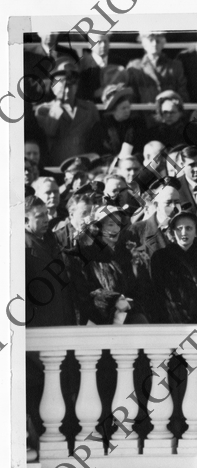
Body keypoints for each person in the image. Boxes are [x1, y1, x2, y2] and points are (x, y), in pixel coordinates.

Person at [65, 205, 150, 324]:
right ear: (98, 228)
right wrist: (114, 301)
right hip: (100, 323)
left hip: (128, 316)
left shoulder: (125, 254)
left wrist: (137, 267)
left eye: (118, 225)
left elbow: (137, 291)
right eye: (110, 224)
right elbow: (86, 294)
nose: (116, 229)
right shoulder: (87, 256)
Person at [150, 211, 197, 323]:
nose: (184, 233)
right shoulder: (160, 257)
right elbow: (160, 293)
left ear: (196, 231)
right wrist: (177, 315)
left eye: (189, 228)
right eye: (179, 229)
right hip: (174, 320)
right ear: (172, 231)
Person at [34, 61, 101, 165]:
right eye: (61, 83)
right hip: (56, 165)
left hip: (84, 166)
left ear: (77, 86)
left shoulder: (89, 108)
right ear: (53, 87)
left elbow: (97, 138)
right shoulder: (43, 110)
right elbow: (50, 130)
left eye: (71, 84)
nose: (66, 89)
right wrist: (58, 103)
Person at [25, 196, 73, 326]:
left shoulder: (52, 240)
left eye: (46, 214)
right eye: (40, 216)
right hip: (39, 327)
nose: (46, 219)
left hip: (61, 321)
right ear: (25, 220)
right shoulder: (21, 248)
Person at [115, 31, 188, 104]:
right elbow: (131, 96)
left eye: (158, 40)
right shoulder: (134, 67)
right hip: (144, 113)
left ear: (163, 42)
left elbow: (182, 95)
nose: (154, 44)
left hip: (168, 112)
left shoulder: (175, 66)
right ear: (143, 43)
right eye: (151, 40)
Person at [125, 178, 182, 260]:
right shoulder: (136, 230)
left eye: (177, 202)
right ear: (155, 204)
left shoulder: (189, 223)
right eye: (168, 202)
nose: (173, 207)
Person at [99, 84, 145, 156]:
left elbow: (141, 149)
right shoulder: (101, 128)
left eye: (128, 107)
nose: (127, 111)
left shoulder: (136, 124)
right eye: (123, 108)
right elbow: (100, 152)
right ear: (113, 110)